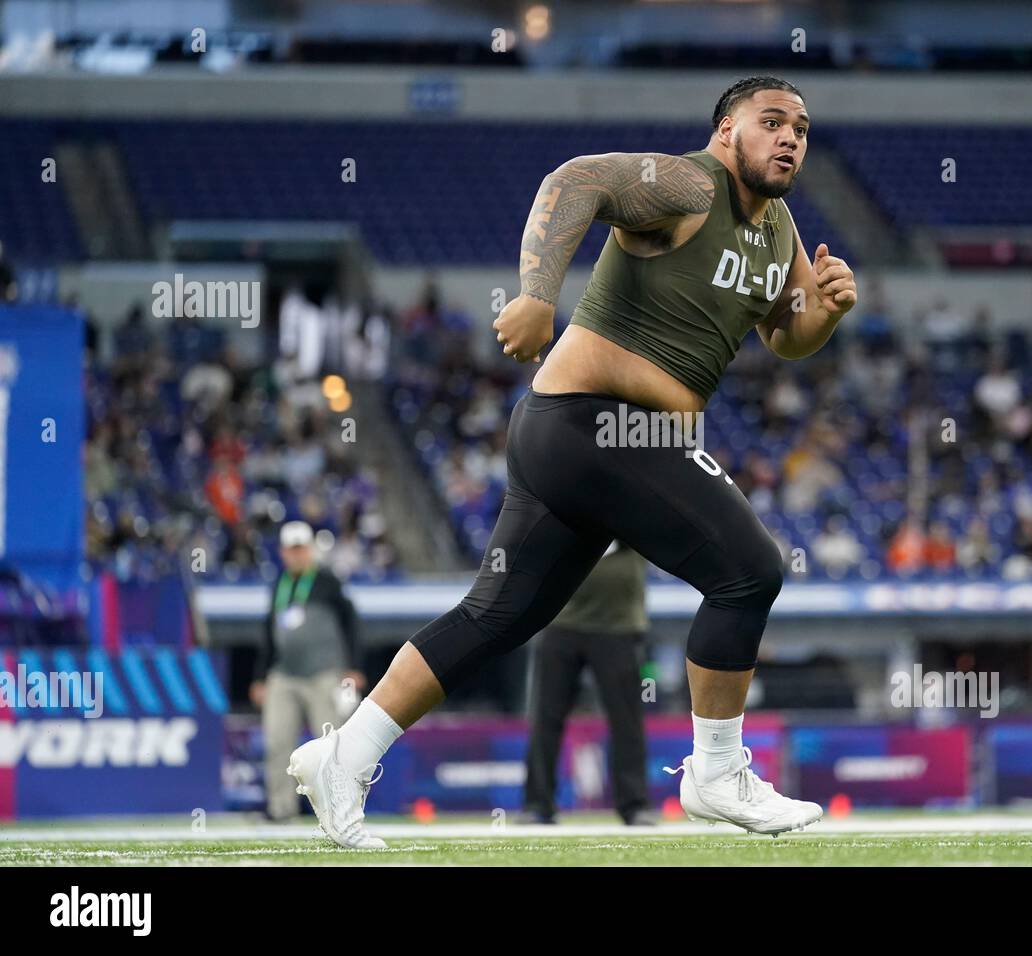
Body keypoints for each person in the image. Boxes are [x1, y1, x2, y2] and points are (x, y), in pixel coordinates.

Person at [289, 75, 856, 847]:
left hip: (580, 436)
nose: (791, 137)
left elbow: (784, 338)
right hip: (600, 427)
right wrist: (535, 293)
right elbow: (577, 179)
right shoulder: (690, 185)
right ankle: (716, 775)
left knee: (496, 615)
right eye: (772, 122)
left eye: (802, 127)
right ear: (727, 131)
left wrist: (819, 312)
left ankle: (343, 755)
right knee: (750, 570)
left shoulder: (781, 230)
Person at [521, 541, 653, 826]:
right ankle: (537, 804)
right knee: (546, 717)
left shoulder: (635, 507)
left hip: (619, 627)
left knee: (626, 720)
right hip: (561, 624)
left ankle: (634, 805)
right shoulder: (574, 505)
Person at [253, 521, 365, 822]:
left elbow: (351, 623)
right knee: (277, 742)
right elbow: (269, 632)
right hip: (284, 673)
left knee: (331, 746)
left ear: (310, 549)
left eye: (302, 548)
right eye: (292, 549)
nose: (297, 554)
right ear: (282, 552)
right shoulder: (280, 584)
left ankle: (340, 809)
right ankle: (280, 808)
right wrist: (260, 676)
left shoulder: (327, 581)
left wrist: (353, 666)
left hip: (323, 673)